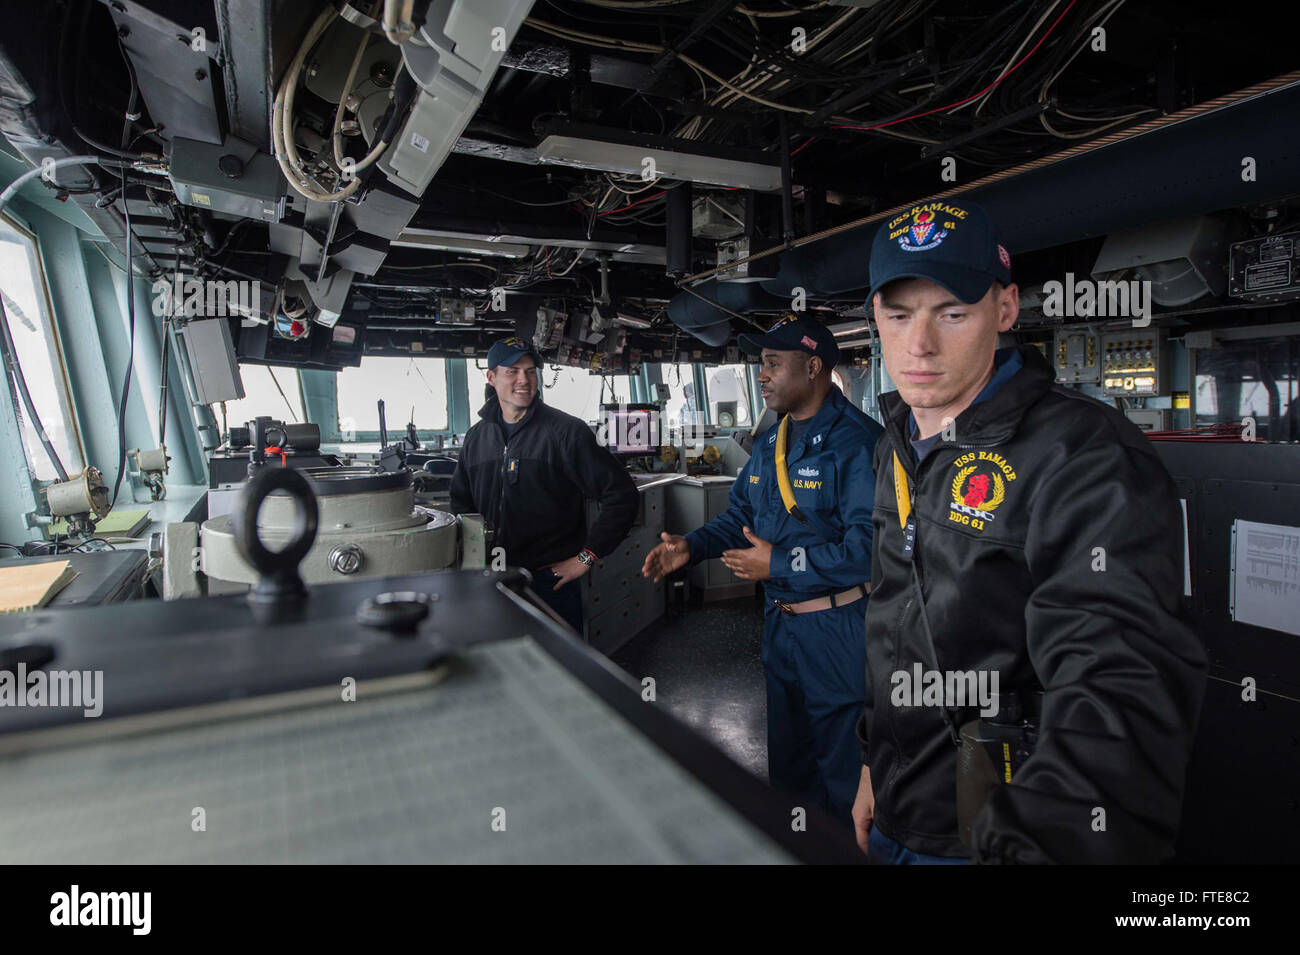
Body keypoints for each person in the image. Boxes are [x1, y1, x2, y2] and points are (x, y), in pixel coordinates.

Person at [852, 199, 1206, 863]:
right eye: (899, 315)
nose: (919, 344)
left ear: (1006, 310)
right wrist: (875, 761)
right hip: (901, 808)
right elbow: (892, 618)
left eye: (952, 312)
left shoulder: (1086, 457)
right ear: (875, 316)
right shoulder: (896, 441)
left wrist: (1038, 842)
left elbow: (1119, 679)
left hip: (994, 834)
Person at [641, 316, 883, 826]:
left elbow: (871, 551)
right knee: (790, 772)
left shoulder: (861, 444)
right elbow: (742, 517)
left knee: (846, 780)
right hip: (781, 625)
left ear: (814, 367)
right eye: (760, 364)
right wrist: (693, 545)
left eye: (774, 363)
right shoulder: (774, 439)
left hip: (838, 631)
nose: (762, 375)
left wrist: (779, 562)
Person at [449, 336, 638, 632]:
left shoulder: (566, 433)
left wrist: (585, 557)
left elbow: (622, 495)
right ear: (491, 377)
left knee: (560, 670)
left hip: (550, 581)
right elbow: (461, 506)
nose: (523, 380)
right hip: (491, 580)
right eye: (512, 371)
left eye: (530, 371)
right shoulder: (476, 438)